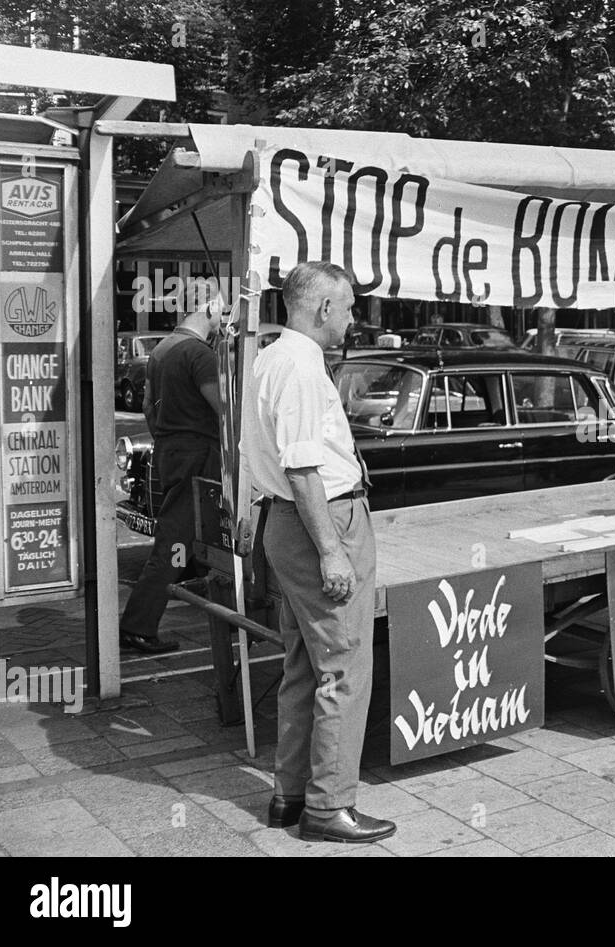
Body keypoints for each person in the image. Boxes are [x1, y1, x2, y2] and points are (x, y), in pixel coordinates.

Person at [243, 262, 395, 844]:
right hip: (321, 521)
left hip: (287, 521)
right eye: (350, 306)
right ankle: (329, 807)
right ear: (323, 308)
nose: (353, 318)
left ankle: (290, 794)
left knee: (304, 664)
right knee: (343, 666)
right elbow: (303, 467)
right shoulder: (302, 365)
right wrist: (333, 552)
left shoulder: (272, 356)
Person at [118, 304, 224, 654]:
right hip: (197, 454)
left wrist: (165, 438)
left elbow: (149, 405)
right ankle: (139, 625)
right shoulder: (199, 353)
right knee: (175, 544)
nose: (227, 320)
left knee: (186, 539)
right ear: (209, 307)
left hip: (171, 450)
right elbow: (224, 408)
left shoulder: (162, 348)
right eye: (225, 310)